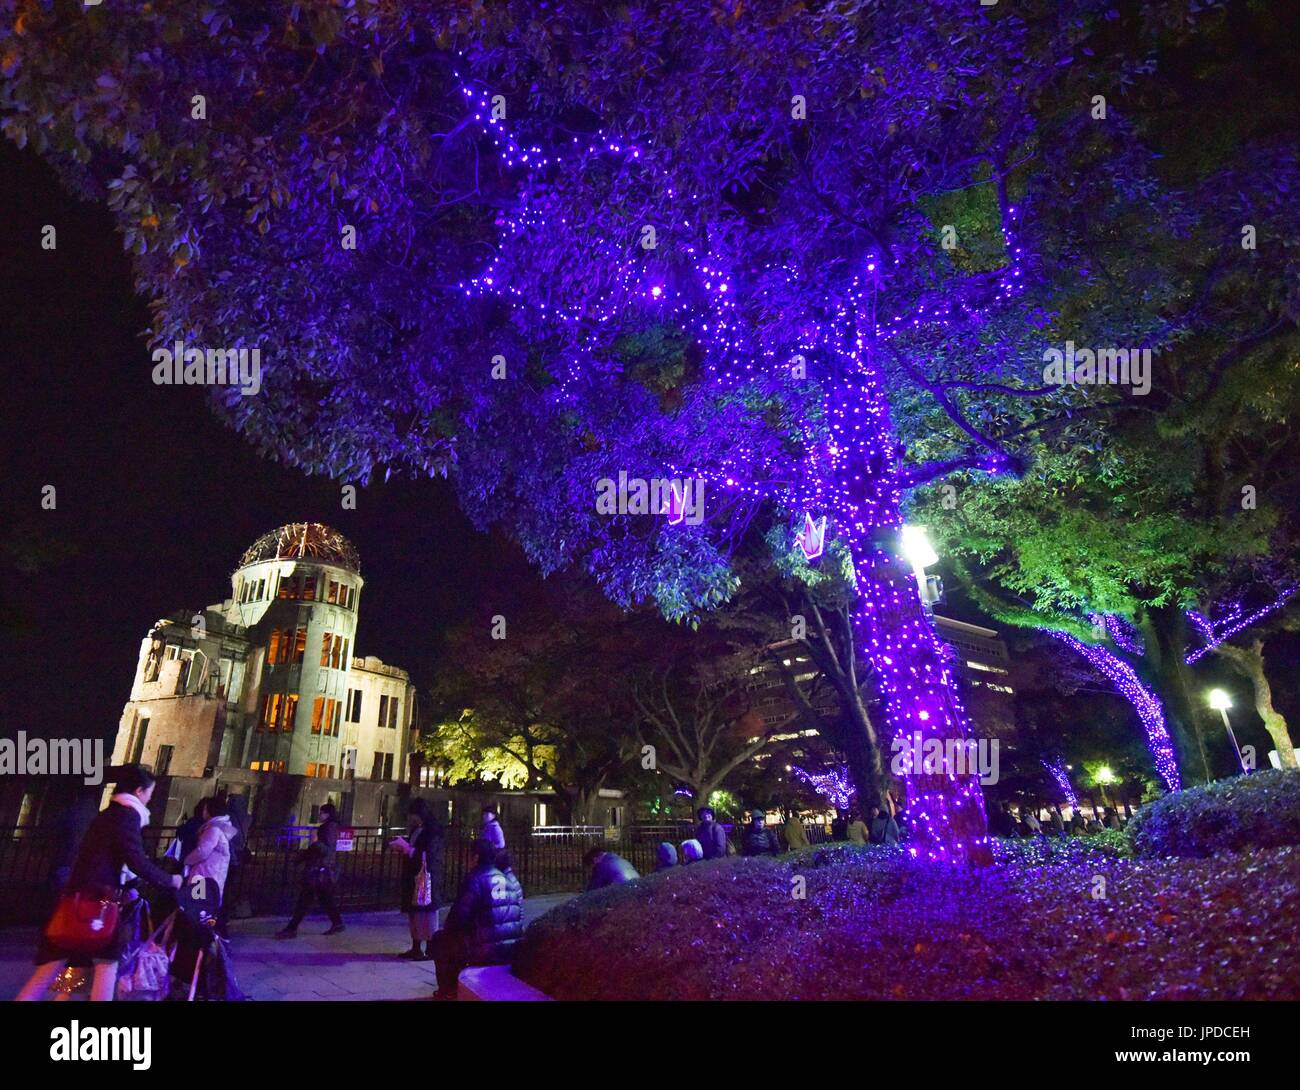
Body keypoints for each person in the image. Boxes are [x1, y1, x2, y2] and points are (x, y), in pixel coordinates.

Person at [17, 765, 182, 1002]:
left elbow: (114, 858)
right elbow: (134, 859)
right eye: (149, 793)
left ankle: (61, 998)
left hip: (76, 900)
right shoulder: (127, 816)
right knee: (104, 964)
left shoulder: (107, 814)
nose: (149, 799)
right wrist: (168, 880)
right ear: (138, 791)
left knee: (58, 965)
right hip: (96, 906)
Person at [431, 842, 524, 1000]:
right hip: (511, 949)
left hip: (485, 951)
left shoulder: (475, 878)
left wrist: (451, 934)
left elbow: (458, 918)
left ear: (476, 857)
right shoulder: (506, 879)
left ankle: (448, 991)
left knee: (440, 940)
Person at [277, 802, 344, 938]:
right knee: (324, 898)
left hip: (318, 869)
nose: (320, 815)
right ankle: (337, 923)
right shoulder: (328, 827)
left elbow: (326, 850)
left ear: (328, 814)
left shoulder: (328, 828)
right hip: (319, 869)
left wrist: (315, 841)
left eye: (322, 812)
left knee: (305, 899)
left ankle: (292, 928)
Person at [390, 799, 444, 960]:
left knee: (426, 913)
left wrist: (409, 849)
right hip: (414, 874)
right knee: (415, 912)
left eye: (412, 815)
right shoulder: (417, 829)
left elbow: (429, 854)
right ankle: (416, 946)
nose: (410, 819)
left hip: (426, 876)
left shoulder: (432, 831)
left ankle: (431, 948)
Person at [184, 796, 237, 901]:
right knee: (206, 904)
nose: (203, 811)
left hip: (205, 874)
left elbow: (202, 852)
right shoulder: (219, 827)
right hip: (211, 874)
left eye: (205, 809)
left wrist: (187, 860)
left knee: (198, 904)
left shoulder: (214, 829)